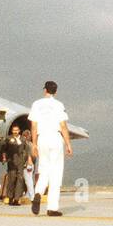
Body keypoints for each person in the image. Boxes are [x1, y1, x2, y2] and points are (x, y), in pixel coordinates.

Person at [29, 80, 72, 216]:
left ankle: (37, 193)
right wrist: (68, 144)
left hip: (42, 138)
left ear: (45, 90)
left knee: (44, 169)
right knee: (56, 172)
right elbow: (63, 126)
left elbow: (34, 126)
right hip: (55, 137)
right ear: (56, 91)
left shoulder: (36, 104)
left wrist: (34, 144)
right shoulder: (59, 105)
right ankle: (52, 207)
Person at [2, 124, 30, 206]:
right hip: (12, 161)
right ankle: (10, 197)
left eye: (17, 130)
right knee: (12, 179)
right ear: (12, 131)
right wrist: (4, 158)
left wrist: (27, 160)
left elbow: (27, 150)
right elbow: (4, 149)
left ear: (19, 131)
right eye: (14, 130)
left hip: (20, 162)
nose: (15, 132)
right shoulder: (8, 139)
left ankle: (17, 199)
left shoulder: (23, 139)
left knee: (20, 180)